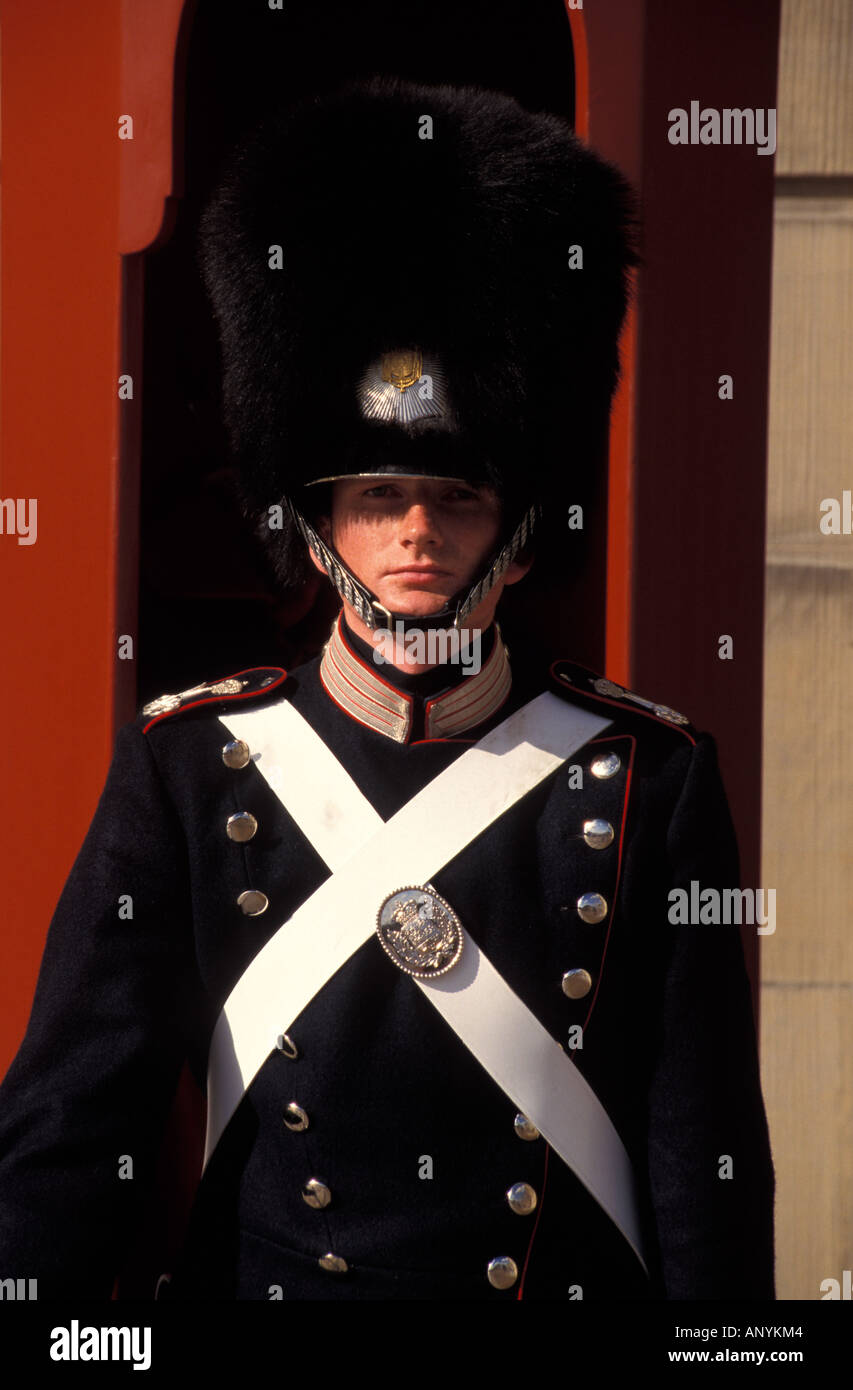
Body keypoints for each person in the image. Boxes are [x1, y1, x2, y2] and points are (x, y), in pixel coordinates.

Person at [0, 78, 774, 1301]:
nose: (415, 534)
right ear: (315, 529)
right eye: (373, 499)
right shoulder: (193, 766)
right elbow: (74, 1135)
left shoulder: (651, 778)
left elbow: (704, 1151)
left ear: (518, 535)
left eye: (455, 498)